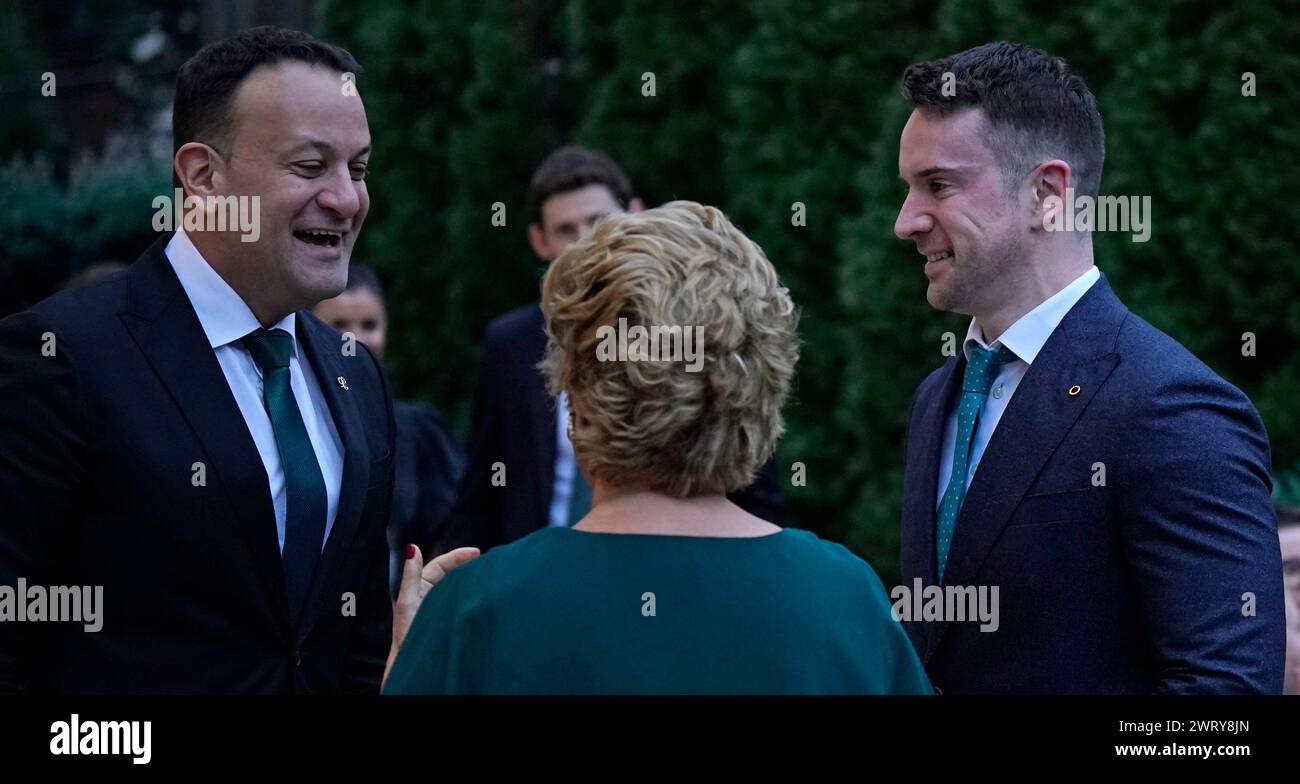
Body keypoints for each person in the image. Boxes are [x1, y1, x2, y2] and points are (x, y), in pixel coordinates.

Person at [383, 201, 931, 694]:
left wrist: (411, 668)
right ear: (767, 385)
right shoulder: (845, 597)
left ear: (574, 391)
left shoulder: (476, 611)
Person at [0, 26, 393, 694]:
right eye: (308, 166)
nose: (346, 198)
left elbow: (350, 639)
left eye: (356, 169)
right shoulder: (58, 360)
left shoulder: (353, 370)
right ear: (203, 176)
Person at [894, 41, 1284, 693]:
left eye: (938, 185)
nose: (905, 221)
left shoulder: (1171, 407)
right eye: (908, 189)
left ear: (1047, 193)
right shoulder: (939, 397)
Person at [441, 146, 784, 554]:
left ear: (636, 214)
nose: (586, 241)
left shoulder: (694, 324)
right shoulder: (510, 345)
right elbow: (479, 497)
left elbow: (750, 479)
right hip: (543, 572)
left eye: (599, 222)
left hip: (676, 562)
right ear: (539, 240)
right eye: (567, 230)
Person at [313, 265, 463, 596]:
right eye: (339, 325)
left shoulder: (419, 432)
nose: (357, 339)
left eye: (369, 325)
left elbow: (452, 532)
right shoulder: (295, 425)